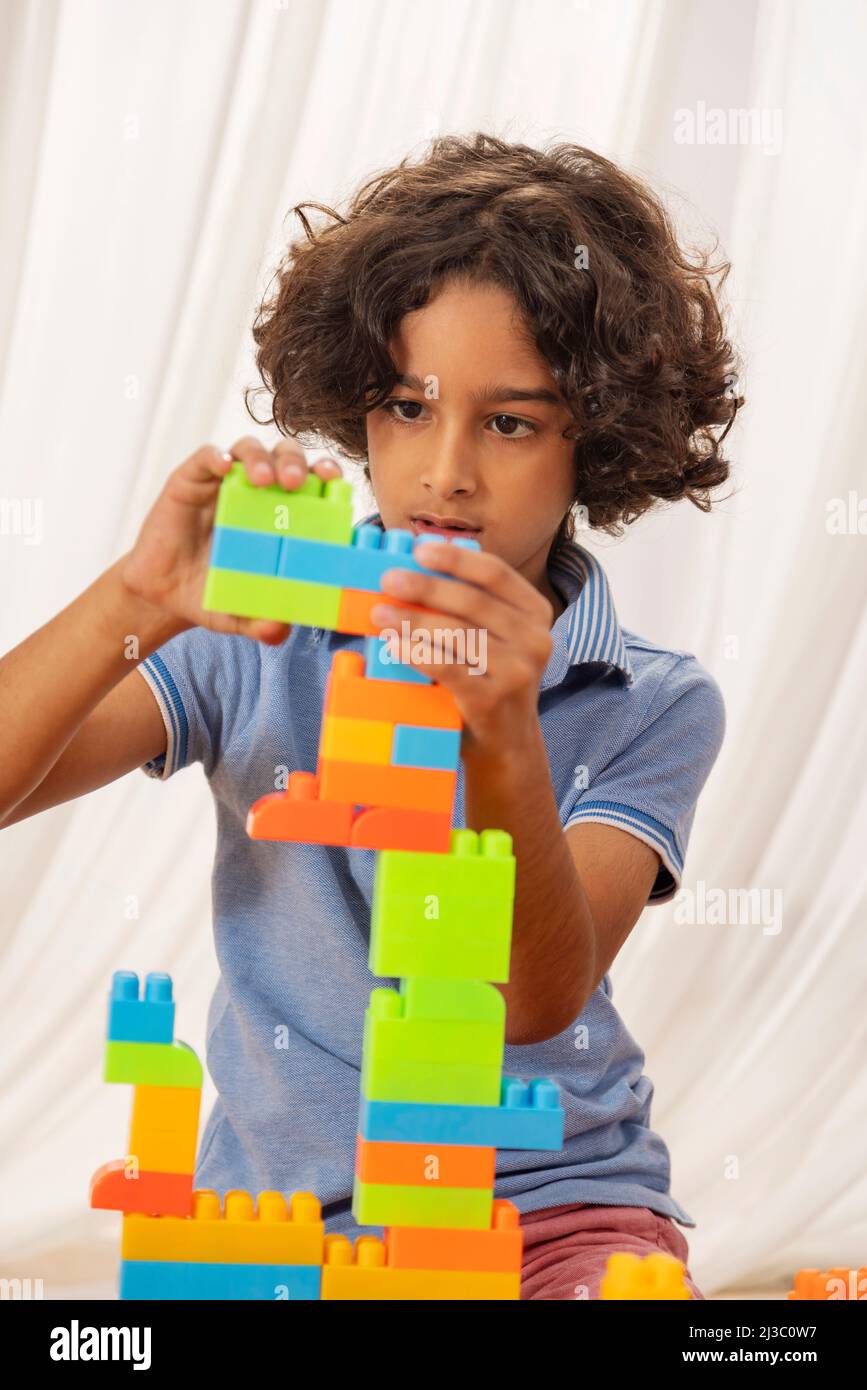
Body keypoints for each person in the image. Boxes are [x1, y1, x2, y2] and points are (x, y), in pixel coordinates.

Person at [0, 133, 740, 1300]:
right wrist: (131, 604)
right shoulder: (261, 634)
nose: (446, 473)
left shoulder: (648, 699)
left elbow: (537, 995)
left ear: (591, 436)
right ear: (361, 407)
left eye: (510, 423)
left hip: (548, 1209)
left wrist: (497, 726)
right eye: (408, 406)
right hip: (274, 1226)